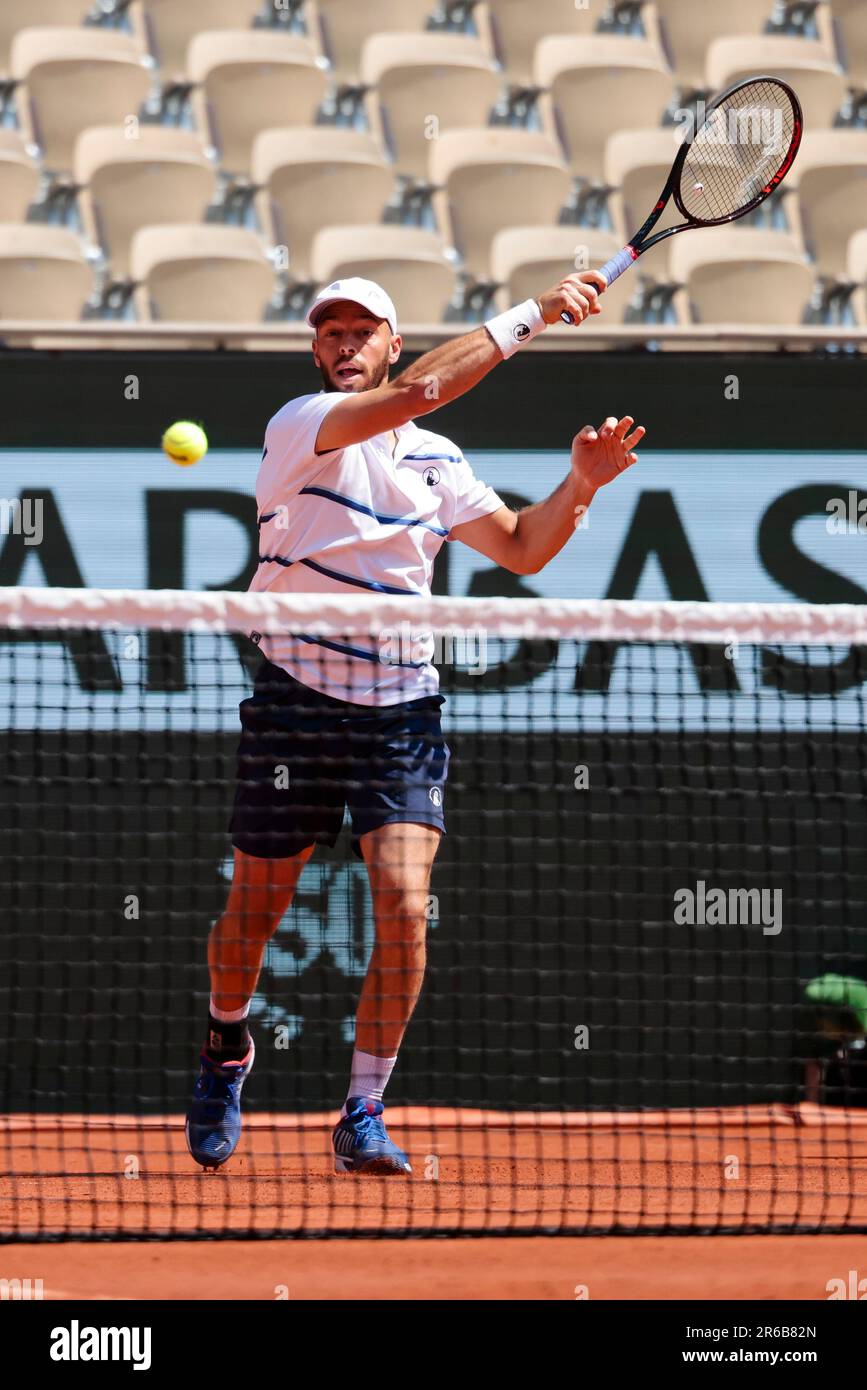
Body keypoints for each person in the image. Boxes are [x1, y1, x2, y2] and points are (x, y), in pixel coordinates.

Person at [186, 270, 645, 1174]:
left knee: (402, 903)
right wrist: (537, 313)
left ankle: (363, 1105)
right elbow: (427, 388)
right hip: (294, 704)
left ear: (392, 342)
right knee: (255, 908)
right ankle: (225, 1048)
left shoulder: (437, 463)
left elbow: (520, 548)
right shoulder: (301, 426)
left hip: (399, 712)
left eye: (364, 332)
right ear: (317, 351)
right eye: (331, 333)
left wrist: (580, 484)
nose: (344, 344)